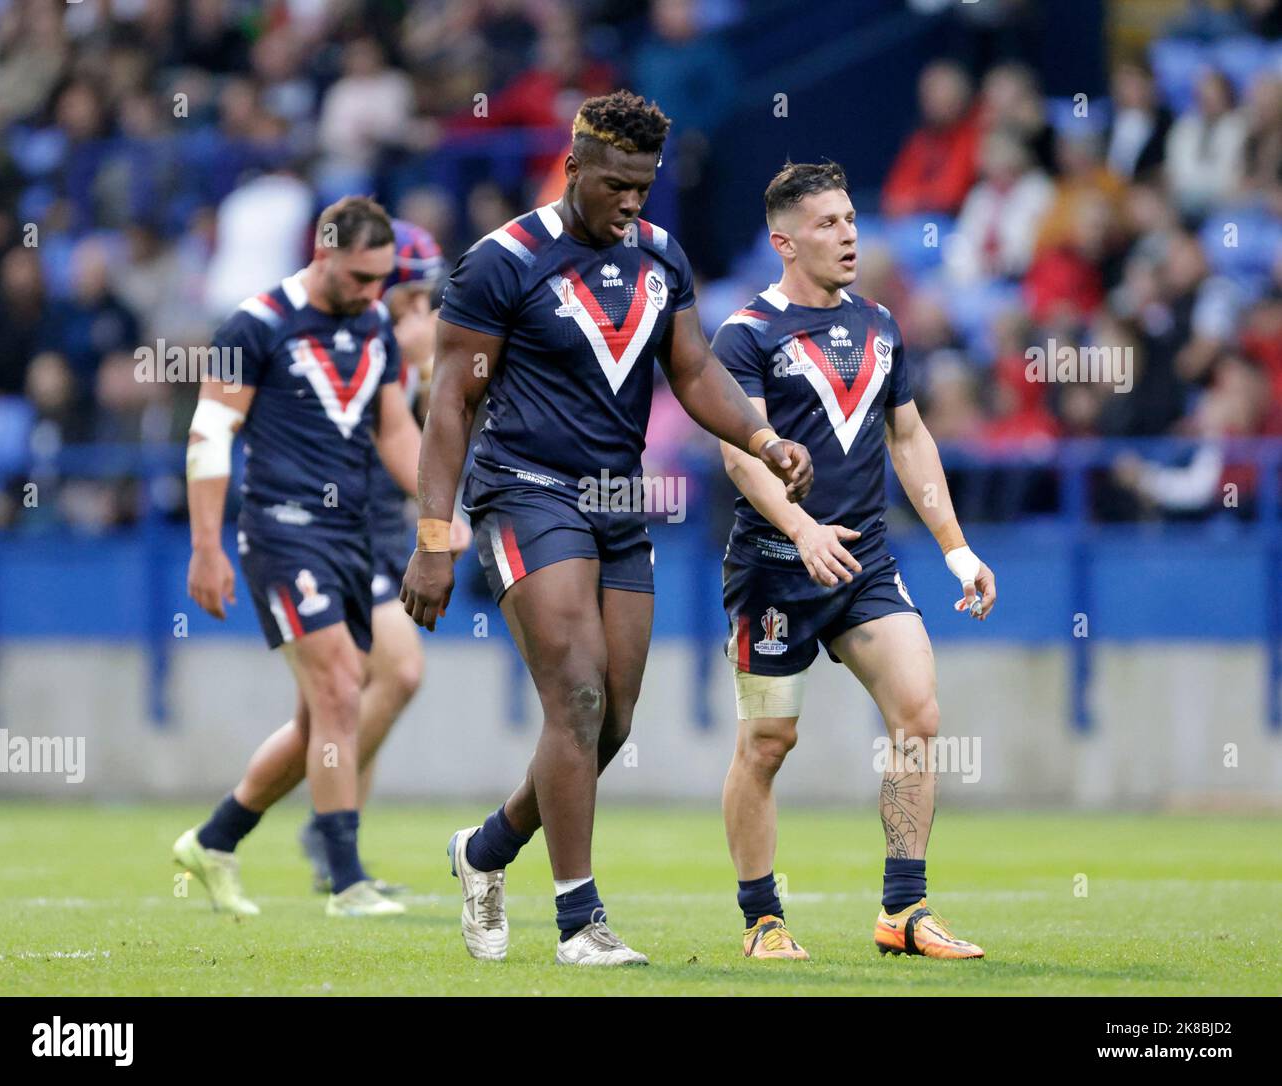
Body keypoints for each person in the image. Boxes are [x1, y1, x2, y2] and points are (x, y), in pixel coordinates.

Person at [401, 90, 813, 966]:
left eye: (646, 185)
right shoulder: (500, 262)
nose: (633, 202)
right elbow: (450, 405)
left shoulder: (663, 257)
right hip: (524, 491)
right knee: (577, 696)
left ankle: (483, 853)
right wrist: (435, 539)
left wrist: (763, 435)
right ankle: (579, 923)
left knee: (610, 723)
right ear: (573, 167)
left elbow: (694, 369)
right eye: (618, 184)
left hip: (620, 502)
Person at [711, 160, 994, 960]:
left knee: (919, 716)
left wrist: (956, 550)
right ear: (784, 241)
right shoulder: (746, 336)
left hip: (866, 563)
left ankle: (903, 912)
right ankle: (763, 919)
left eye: (851, 221)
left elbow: (908, 437)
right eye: (829, 224)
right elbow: (741, 458)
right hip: (774, 567)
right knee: (768, 744)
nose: (847, 236)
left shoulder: (878, 323)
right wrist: (801, 529)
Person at [175, 196, 423, 918]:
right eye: (357, 277)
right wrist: (204, 546)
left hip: (351, 537)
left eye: (382, 279)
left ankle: (215, 840)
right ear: (322, 253)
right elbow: (209, 435)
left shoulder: (373, 322)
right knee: (345, 686)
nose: (372, 293)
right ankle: (345, 880)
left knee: (322, 718)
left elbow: (395, 429)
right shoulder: (252, 326)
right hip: (282, 530)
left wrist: (441, 511)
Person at [298, 219, 471, 893]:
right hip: (336, 526)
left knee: (348, 693)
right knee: (395, 673)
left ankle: (342, 860)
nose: (423, 310)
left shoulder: (397, 346)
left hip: (378, 527)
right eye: (412, 295)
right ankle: (321, 818)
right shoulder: (350, 340)